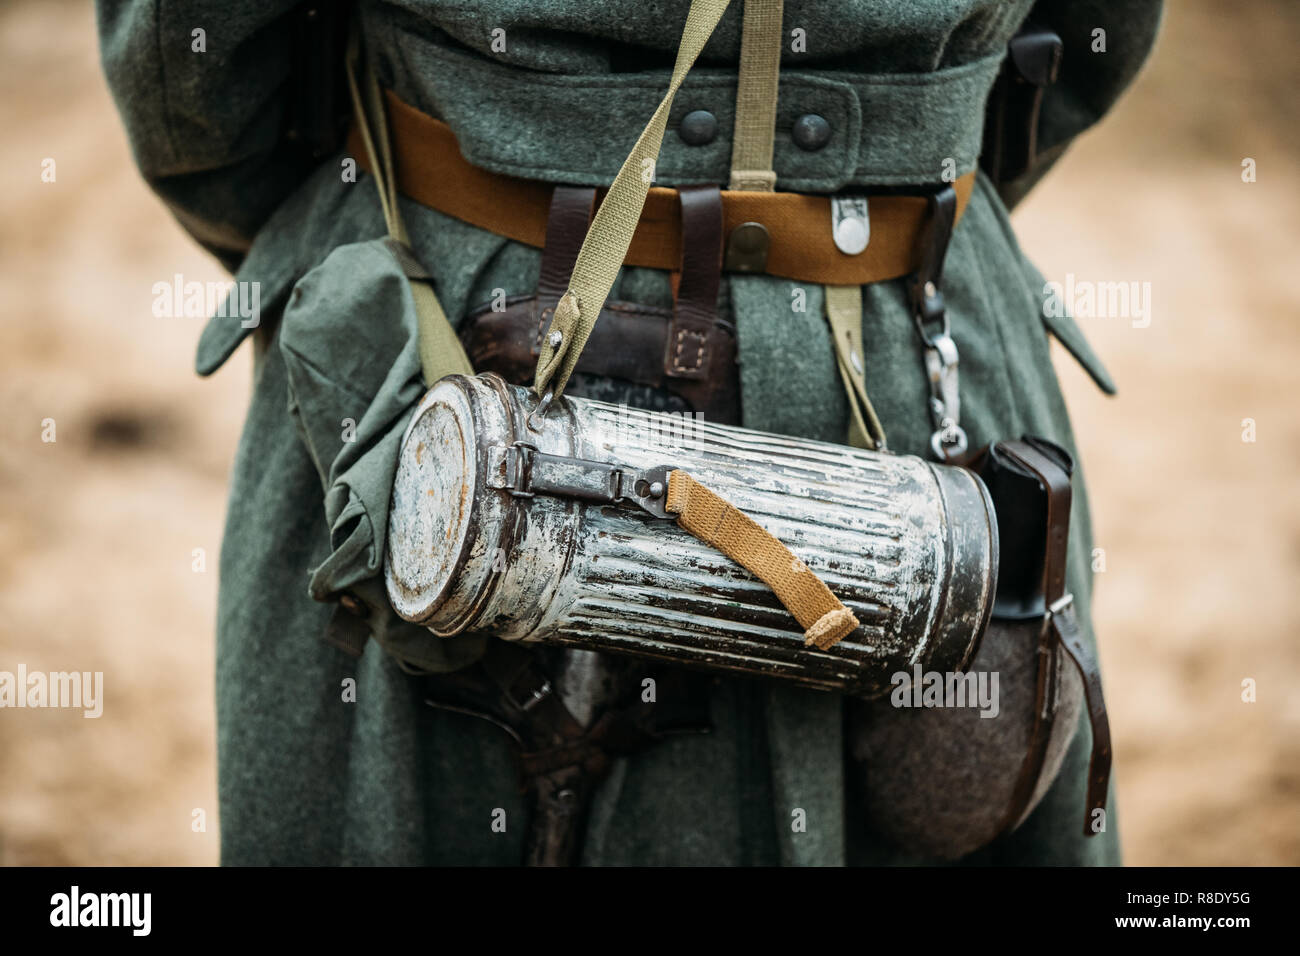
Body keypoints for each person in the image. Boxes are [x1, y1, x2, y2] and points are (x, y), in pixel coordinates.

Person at [98, 0, 1161, 865]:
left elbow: (188, 75)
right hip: (916, 316)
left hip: (447, 334)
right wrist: (881, 212)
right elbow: (1082, 45)